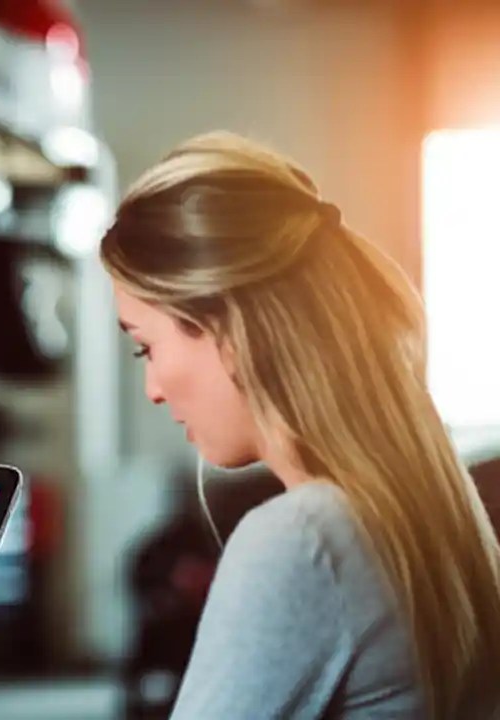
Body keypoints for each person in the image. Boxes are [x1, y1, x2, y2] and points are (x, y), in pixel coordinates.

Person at [101, 132, 500, 719]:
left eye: (146, 348)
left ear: (229, 331)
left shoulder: (305, 538)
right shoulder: (430, 509)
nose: (153, 389)